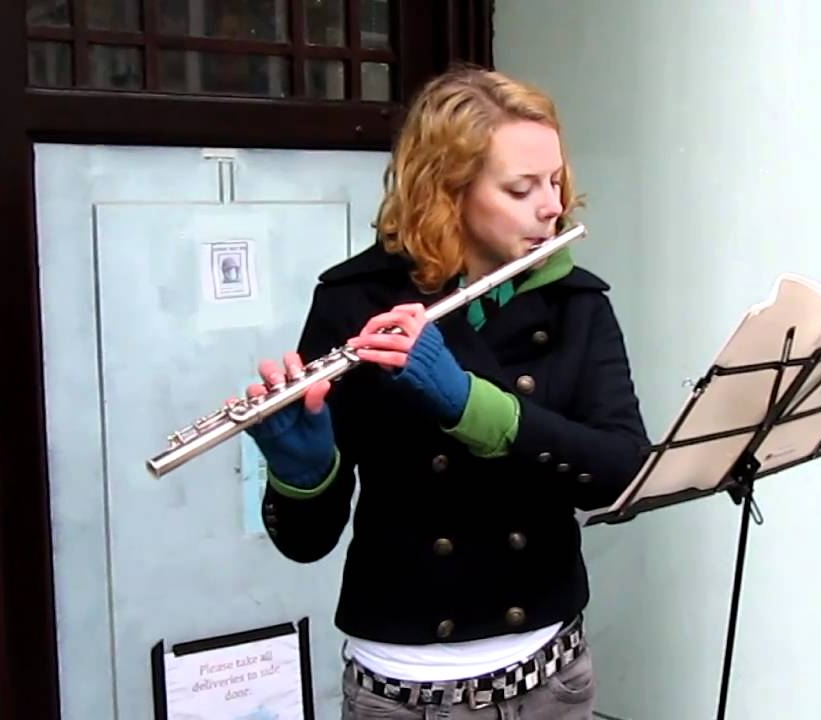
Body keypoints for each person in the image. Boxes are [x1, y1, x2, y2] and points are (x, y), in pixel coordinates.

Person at [244, 65, 650, 719]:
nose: (552, 206)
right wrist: (302, 473)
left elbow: (621, 471)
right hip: (398, 691)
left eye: (554, 181)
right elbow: (307, 542)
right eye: (522, 189)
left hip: (549, 679)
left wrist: (474, 406)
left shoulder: (576, 301)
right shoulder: (358, 300)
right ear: (448, 190)